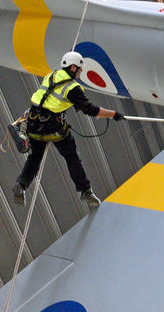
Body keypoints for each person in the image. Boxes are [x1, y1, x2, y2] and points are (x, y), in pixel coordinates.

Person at [11, 51, 122, 209]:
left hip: (33, 124)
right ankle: (85, 191)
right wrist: (114, 115)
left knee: (35, 158)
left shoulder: (51, 75)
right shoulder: (72, 88)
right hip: (52, 128)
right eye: (79, 69)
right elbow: (91, 110)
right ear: (72, 67)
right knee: (72, 157)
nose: (80, 72)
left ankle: (21, 185)